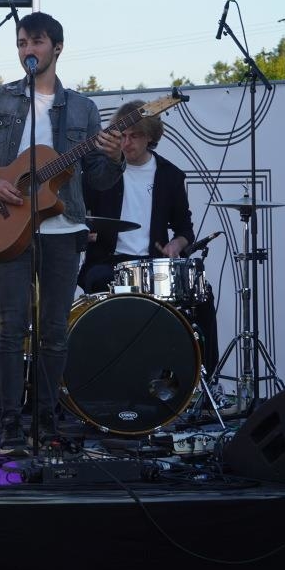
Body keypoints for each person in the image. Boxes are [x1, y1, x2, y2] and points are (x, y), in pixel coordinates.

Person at [0, 12, 125, 456]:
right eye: (22, 42)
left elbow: (99, 180)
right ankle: (9, 427)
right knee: (10, 328)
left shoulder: (82, 109)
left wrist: (115, 157)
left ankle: (45, 424)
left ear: (56, 48)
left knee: (54, 331)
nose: (28, 49)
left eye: (37, 41)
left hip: (64, 227)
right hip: (9, 226)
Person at [78, 99, 220, 378]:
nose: (126, 143)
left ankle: (204, 380)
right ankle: (104, 378)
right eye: (122, 135)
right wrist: (86, 233)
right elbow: (79, 217)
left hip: (154, 266)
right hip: (108, 263)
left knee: (202, 295)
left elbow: (185, 229)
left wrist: (176, 245)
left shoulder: (170, 176)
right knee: (100, 282)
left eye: (134, 136)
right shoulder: (100, 172)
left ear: (151, 137)